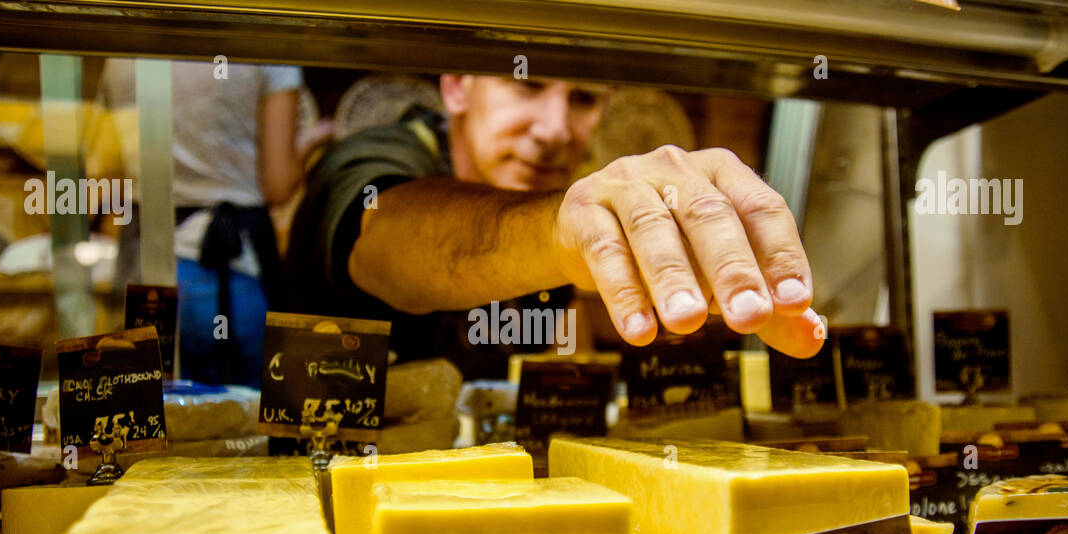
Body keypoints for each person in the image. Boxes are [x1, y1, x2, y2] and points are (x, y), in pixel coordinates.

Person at [286, 74, 823, 378]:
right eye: (526, 83)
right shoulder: (375, 159)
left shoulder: (567, 200)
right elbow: (384, 244)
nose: (554, 128)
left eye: (583, 98)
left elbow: (566, 363)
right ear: (456, 88)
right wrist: (560, 235)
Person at [98, 59, 327, 386]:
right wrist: (311, 141)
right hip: (231, 268)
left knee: (146, 409)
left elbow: (108, 166)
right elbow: (278, 183)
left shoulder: (119, 53)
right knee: (239, 424)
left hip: (145, 265)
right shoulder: (268, 49)